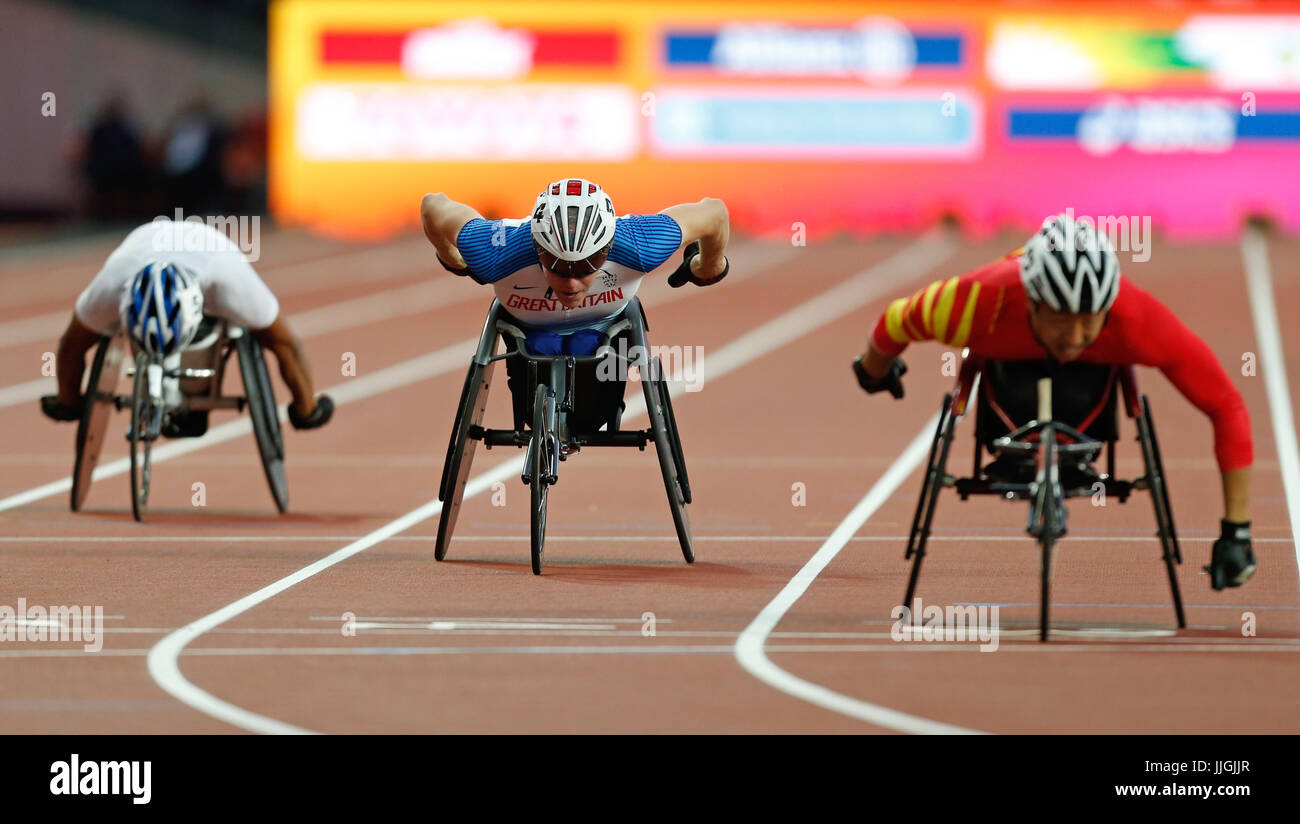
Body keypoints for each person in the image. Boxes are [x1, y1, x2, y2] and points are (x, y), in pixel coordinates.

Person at [853, 214, 1255, 591]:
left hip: (1090, 402)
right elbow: (896, 321)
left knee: (1087, 361)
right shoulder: (976, 301)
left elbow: (1225, 404)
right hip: (1005, 388)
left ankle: (1074, 454)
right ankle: (1015, 451)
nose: (1075, 335)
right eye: (1061, 317)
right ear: (1031, 301)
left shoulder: (1135, 321)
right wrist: (873, 370)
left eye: (1089, 319)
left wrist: (1237, 531)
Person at [420, 177, 728, 431]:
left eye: (585, 268)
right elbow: (433, 204)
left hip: (604, 333)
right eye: (556, 266)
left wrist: (707, 266)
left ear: (606, 250)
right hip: (529, 335)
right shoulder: (495, 251)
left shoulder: (640, 244)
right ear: (537, 249)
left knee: (588, 346)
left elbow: (714, 212)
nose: (571, 282)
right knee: (542, 347)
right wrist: (456, 259)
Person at [40, 218, 333, 436]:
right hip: (143, 244)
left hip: (208, 245)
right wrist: (69, 401)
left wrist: (306, 408)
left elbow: (285, 343)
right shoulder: (113, 284)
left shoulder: (228, 279)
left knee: (256, 330)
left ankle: (192, 392)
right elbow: (72, 344)